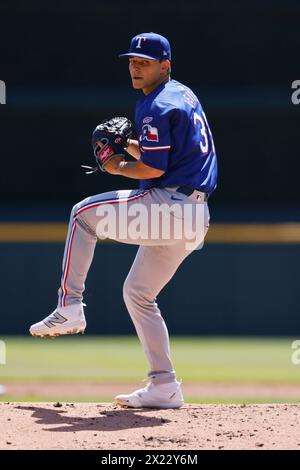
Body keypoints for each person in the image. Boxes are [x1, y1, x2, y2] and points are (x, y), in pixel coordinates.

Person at [30, 32, 218, 409]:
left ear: (165, 65)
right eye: (132, 61)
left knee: (82, 215)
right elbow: (166, 156)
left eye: (144, 62)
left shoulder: (153, 106)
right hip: (196, 216)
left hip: (169, 205)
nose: (135, 66)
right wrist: (130, 146)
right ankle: (164, 385)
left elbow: (151, 166)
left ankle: (70, 304)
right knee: (138, 294)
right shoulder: (182, 94)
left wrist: (114, 163)